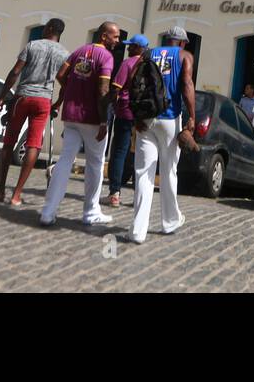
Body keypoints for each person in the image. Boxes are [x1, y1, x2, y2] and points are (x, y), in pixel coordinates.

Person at [38, 21, 121, 227]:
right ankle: (91, 211)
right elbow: (103, 90)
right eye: (115, 36)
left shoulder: (78, 51)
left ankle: (48, 212)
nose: (118, 41)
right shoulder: (106, 57)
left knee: (65, 160)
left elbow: (60, 75)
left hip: (71, 115)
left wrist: (73, 88)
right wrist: (103, 120)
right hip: (92, 117)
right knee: (95, 163)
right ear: (104, 36)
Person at [127, 25, 196, 245]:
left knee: (143, 173)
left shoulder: (148, 53)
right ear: (183, 42)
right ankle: (169, 221)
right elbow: (186, 84)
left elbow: (132, 81)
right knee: (168, 171)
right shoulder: (185, 55)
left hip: (146, 118)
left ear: (166, 39)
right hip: (169, 119)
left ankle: (138, 230)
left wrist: (135, 114)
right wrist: (192, 116)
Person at [0, 18, 67, 206]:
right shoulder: (65, 54)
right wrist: (57, 103)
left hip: (23, 97)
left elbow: (15, 71)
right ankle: (16, 195)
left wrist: (2, 97)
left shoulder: (32, 45)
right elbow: (65, 82)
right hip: (43, 101)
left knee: (9, 142)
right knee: (33, 145)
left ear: (49, 28)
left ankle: (1, 189)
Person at [104, 34, 148, 207]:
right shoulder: (149, 66)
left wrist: (113, 107)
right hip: (143, 117)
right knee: (141, 155)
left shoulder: (127, 63)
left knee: (119, 152)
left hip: (125, 113)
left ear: (139, 48)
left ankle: (114, 193)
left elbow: (115, 88)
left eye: (132, 46)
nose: (128, 49)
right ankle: (140, 197)